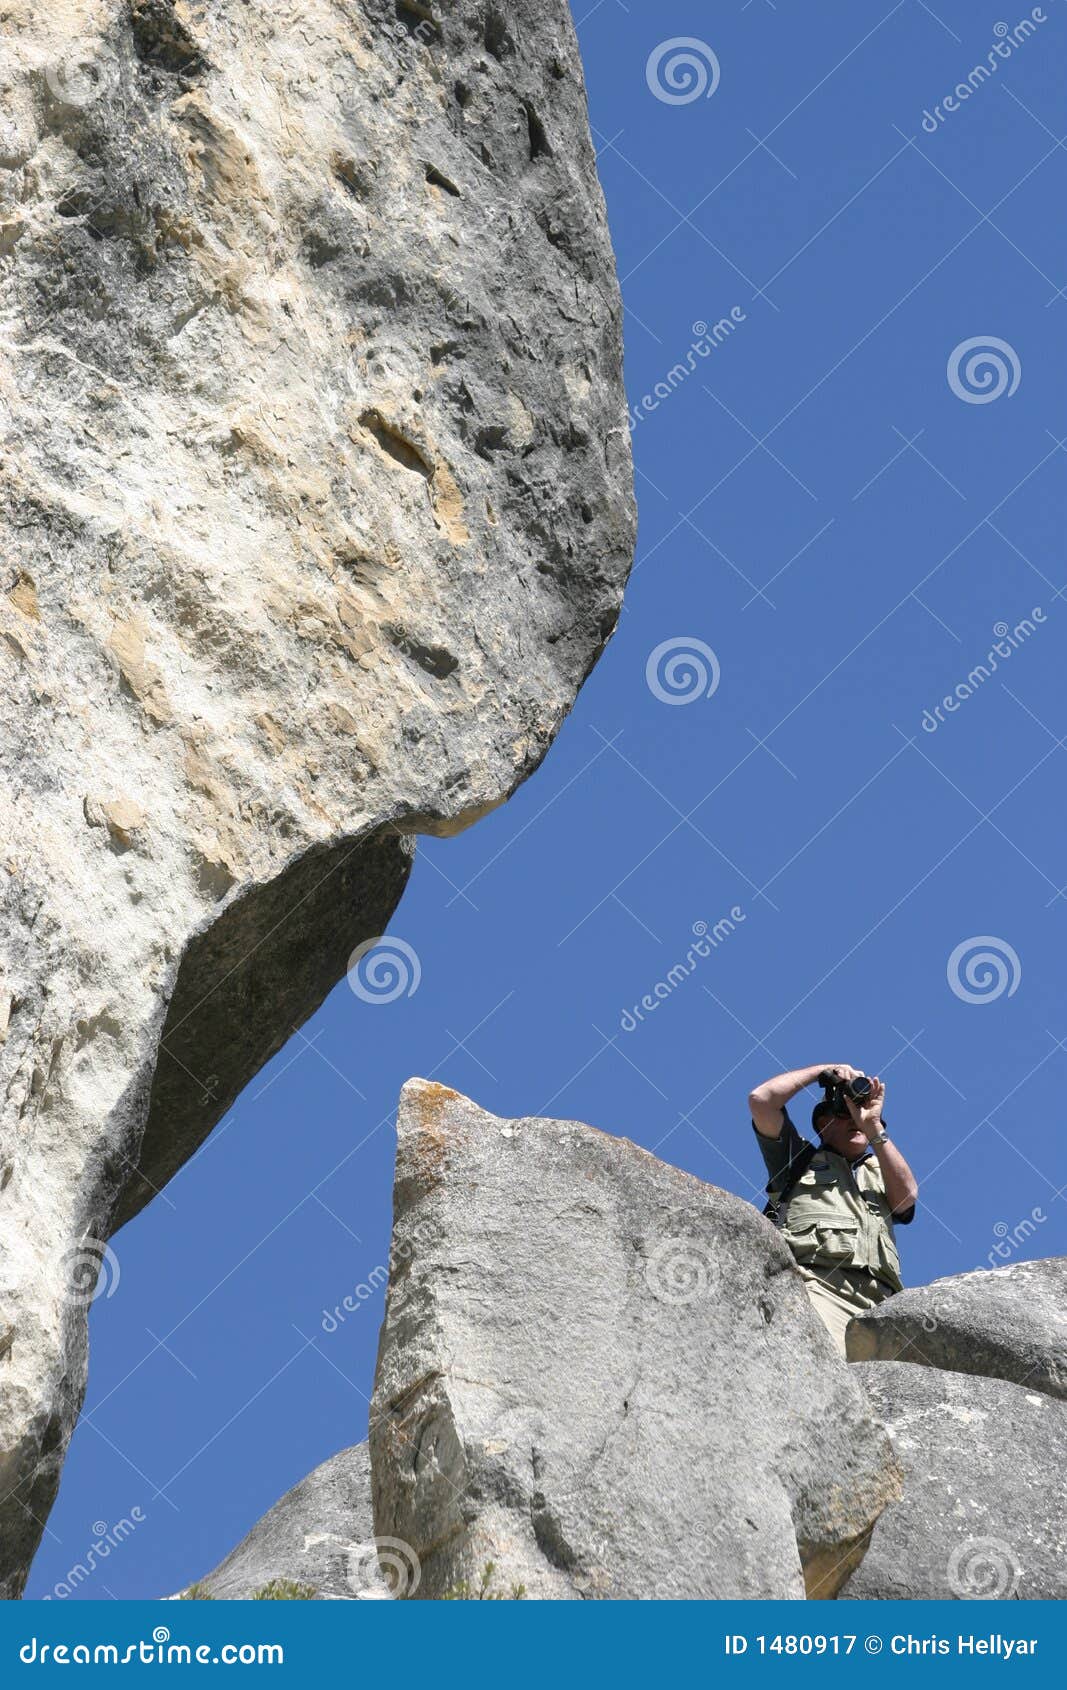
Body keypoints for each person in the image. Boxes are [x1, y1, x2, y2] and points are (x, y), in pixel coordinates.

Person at [747, 1063, 919, 1356]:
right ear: (822, 1124)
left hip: (883, 1305)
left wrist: (873, 1126)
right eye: (843, 1114)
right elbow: (762, 1100)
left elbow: (907, 1198)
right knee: (826, 1373)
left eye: (856, 1114)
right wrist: (823, 1071)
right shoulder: (798, 1160)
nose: (854, 1120)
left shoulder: (879, 1170)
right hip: (821, 1289)